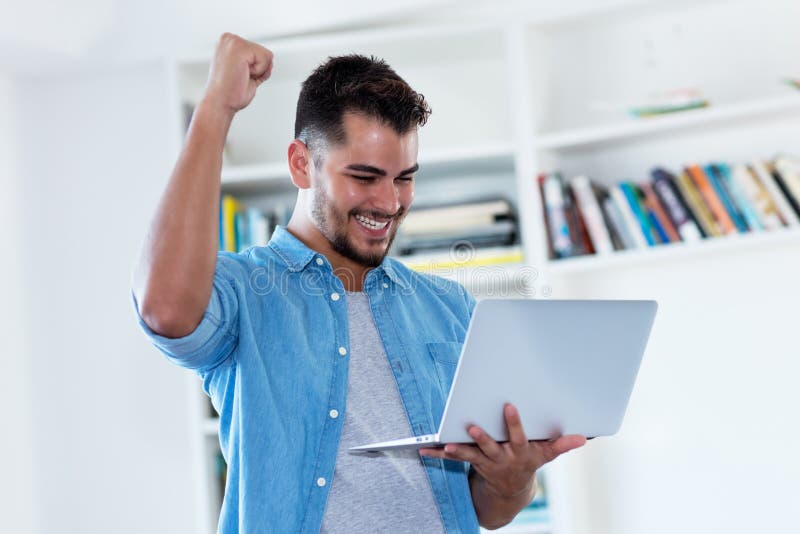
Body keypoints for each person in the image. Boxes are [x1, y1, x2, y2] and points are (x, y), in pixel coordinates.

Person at [131, 32, 586, 533]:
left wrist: (513, 479)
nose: (390, 202)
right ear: (301, 164)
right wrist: (217, 106)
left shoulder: (448, 305)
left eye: (404, 177)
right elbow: (165, 310)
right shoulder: (244, 292)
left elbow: (487, 510)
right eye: (365, 177)